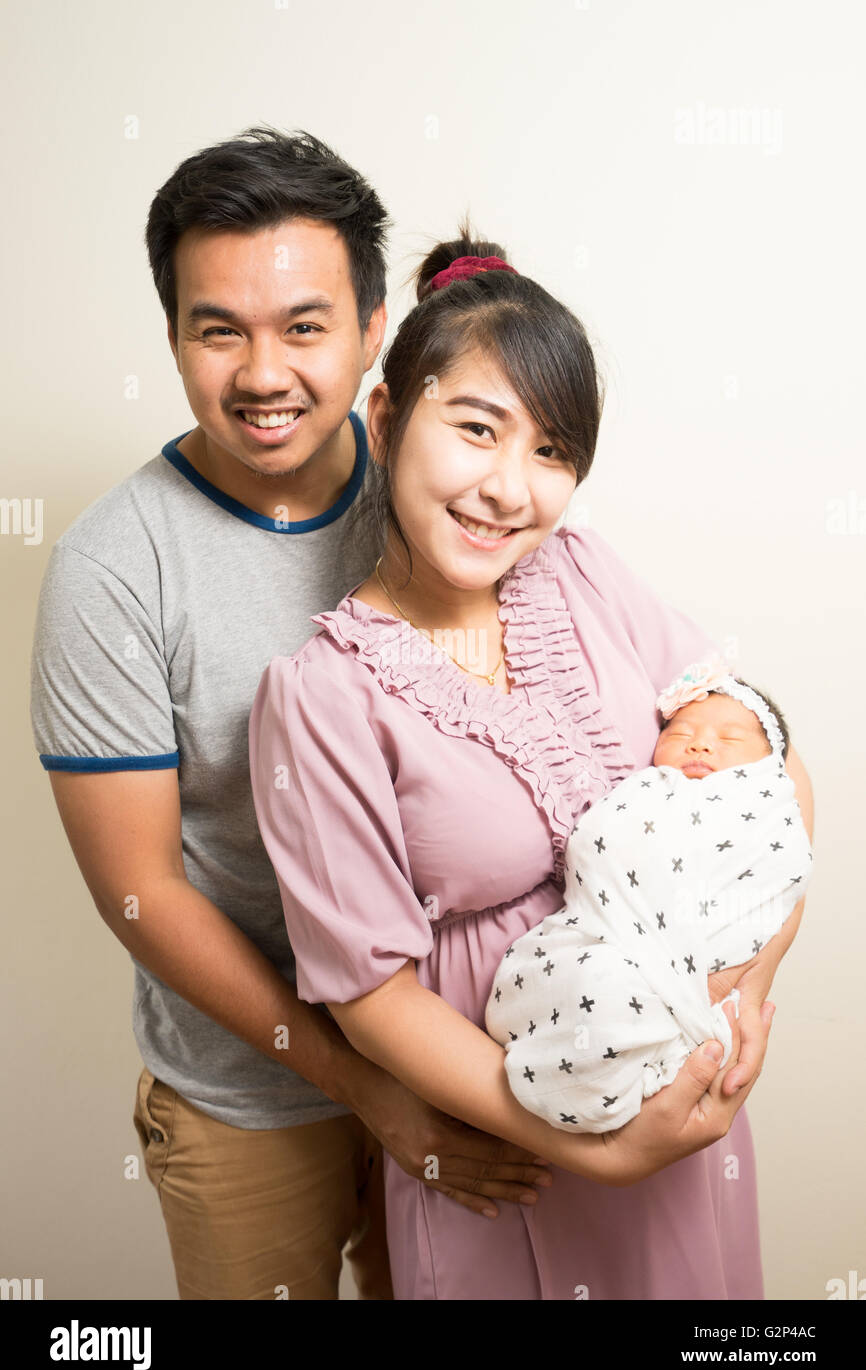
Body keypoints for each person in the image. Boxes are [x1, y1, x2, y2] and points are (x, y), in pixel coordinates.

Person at [28, 128, 563, 1302]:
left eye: (303, 326)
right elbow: (143, 890)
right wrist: (360, 1080)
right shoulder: (114, 567)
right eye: (218, 329)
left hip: (472, 1059)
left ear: (377, 332)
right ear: (172, 337)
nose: (263, 371)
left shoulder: (446, 492)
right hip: (252, 1095)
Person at [248, 225, 814, 1299]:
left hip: (685, 1108)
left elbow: (768, 763)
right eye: (475, 429)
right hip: (501, 1149)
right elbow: (368, 995)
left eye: (550, 450)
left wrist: (743, 998)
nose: (510, 488)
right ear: (384, 419)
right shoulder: (320, 697)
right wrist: (584, 1144)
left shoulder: (583, 576)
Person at [487, 662, 813, 1133]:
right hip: (600, 934)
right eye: (682, 731)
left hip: (687, 973)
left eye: (730, 739)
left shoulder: (763, 810)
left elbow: (781, 869)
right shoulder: (648, 791)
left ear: (768, 765)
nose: (701, 744)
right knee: (591, 978)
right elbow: (599, 847)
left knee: (616, 996)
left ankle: (631, 1064)